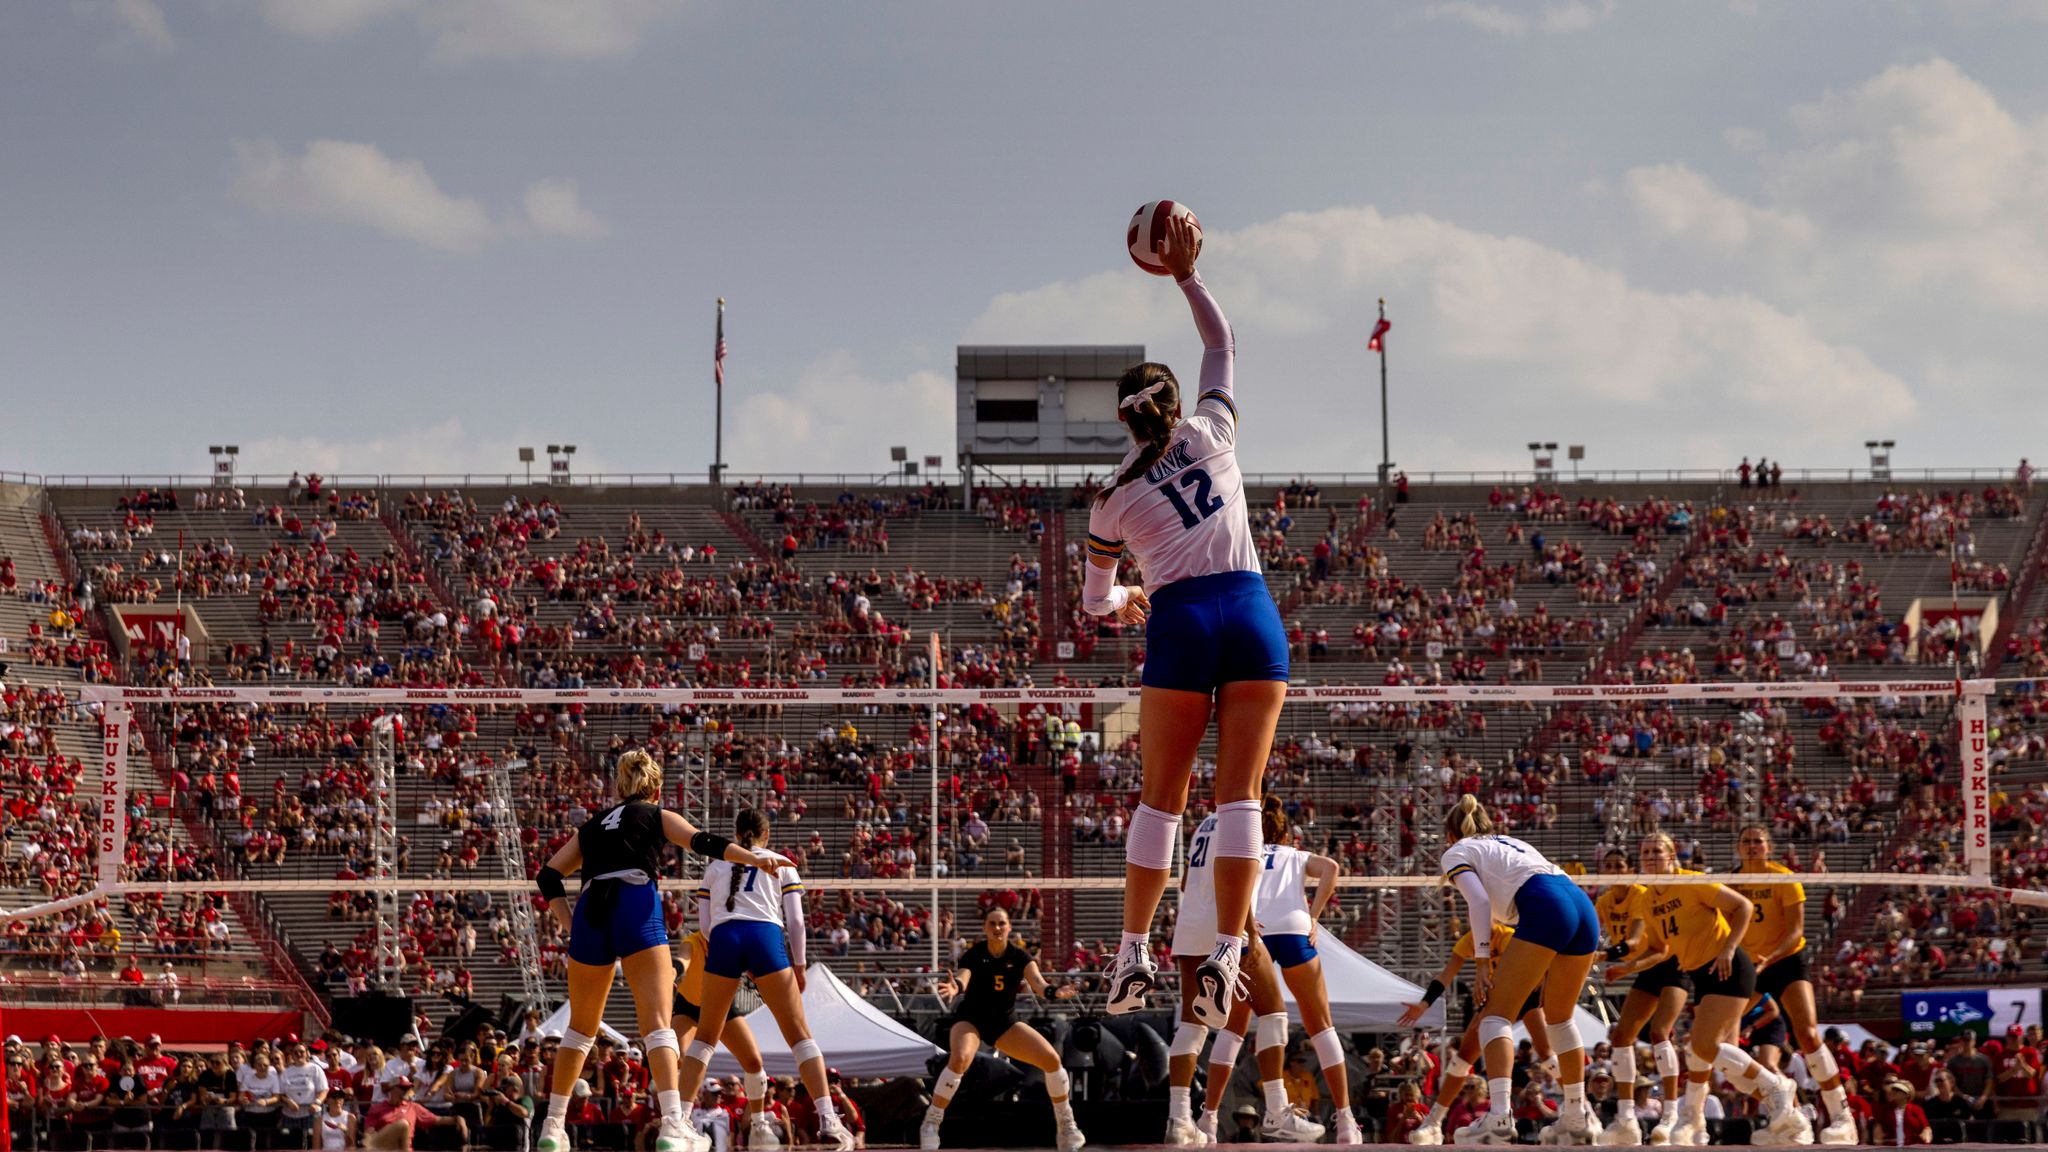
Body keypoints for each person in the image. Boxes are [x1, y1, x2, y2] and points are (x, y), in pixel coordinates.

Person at [1087, 212, 1290, 1031]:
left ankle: (1134, 950)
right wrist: (1186, 275)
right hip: (1247, 607)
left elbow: (1098, 603)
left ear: (1125, 420)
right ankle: (1231, 951)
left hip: (1177, 619)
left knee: (1160, 802)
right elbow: (1224, 344)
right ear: (1173, 403)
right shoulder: (1212, 431)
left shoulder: (1114, 498)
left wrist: (1124, 602)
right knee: (1240, 794)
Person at [533, 751, 791, 1152]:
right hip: (634, 903)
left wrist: (571, 924)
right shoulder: (655, 813)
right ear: (655, 788)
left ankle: (552, 1125)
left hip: (590, 911)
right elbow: (704, 841)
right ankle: (672, 1124)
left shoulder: (592, 825)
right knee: (656, 1022)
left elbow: (548, 875)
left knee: (580, 1028)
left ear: (619, 787)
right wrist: (754, 858)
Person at [670, 809, 856, 1151]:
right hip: (764, 936)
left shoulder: (715, 866)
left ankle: (677, 1124)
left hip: (724, 939)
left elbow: (707, 926)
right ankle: (829, 1121)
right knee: (800, 1037)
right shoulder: (782, 862)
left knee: (705, 1040)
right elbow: (797, 922)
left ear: (736, 832)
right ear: (766, 835)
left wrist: (732, 959)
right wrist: (798, 965)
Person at [1607, 831, 1808, 1146]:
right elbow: (1660, 949)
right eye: (1645, 851)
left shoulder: (1692, 881)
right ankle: (1779, 1109)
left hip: (1728, 966)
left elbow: (1742, 906)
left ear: (1672, 855)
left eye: (1657, 851)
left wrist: (1729, 948)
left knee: (1703, 1047)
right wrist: (1629, 967)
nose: (1649, 856)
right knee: (1706, 1054)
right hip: (1701, 975)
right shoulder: (1647, 898)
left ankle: (1776, 1091)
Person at [1434, 795, 1601, 1145]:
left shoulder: (1457, 851)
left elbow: (1478, 901)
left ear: (1450, 833)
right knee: (1560, 1017)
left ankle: (1497, 1117)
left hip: (1545, 904)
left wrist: (1481, 962)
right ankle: (1576, 1115)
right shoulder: (1512, 843)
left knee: (1495, 1016)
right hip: (1580, 903)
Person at [1166, 812, 1324, 1145]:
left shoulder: (1206, 823)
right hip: (1227, 926)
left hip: (1191, 922)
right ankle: (1277, 1112)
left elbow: (1184, 882)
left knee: (1192, 1025)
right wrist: (1250, 928)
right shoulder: (1244, 815)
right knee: (1274, 1013)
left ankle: (1179, 1119)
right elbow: (1237, 876)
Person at [1732, 825, 1856, 1143]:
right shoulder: (1729, 882)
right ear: (1738, 847)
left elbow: (1795, 933)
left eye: (1758, 841)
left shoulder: (1783, 876)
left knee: (1808, 1033)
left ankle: (1842, 1115)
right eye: (1746, 842)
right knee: (1722, 1045)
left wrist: (1766, 958)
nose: (1752, 846)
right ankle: (1786, 1115)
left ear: (1768, 847)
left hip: (1784, 961)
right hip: (1749, 966)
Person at [921, 907, 1082, 1150]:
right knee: (960, 1059)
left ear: (1009, 927)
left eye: (1001, 923)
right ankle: (932, 1121)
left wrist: (1054, 992)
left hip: (1004, 1023)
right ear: (985, 927)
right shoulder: (975, 954)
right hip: (971, 1019)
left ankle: (1066, 1125)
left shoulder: (1019, 956)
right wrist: (956, 988)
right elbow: (964, 977)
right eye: (992, 923)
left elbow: (1039, 983)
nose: (997, 928)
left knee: (1051, 1060)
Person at [1254, 800, 1361, 1143]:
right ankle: (1345, 1122)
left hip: (1254, 932)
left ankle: (1208, 1120)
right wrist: (1314, 915)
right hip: (1294, 929)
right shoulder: (1295, 855)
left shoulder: (1246, 853)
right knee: (1321, 1026)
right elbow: (1331, 866)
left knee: (1239, 1027)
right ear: (1286, 834)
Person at [1395, 920, 1557, 1145]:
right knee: (1463, 1057)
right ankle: (1434, 1122)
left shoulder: (1508, 936)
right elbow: (1446, 974)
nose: (1480, 921)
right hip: (1497, 997)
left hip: (1524, 992)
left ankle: (1578, 1109)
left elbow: (1536, 968)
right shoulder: (1472, 938)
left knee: (1545, 1051)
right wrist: (1423, 1004)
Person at [1592, 846, 1686, 1147]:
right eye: (1610, 865)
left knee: (1660, 1031)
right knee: (1621, 1036)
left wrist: (1606, 955)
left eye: (1620, 863)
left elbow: (1633, 941)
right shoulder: (1605, 901)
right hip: (1645, 968)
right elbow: (1589, 932)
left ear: (1630, 869)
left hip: (1672, 962)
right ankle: (1627, 1118)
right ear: (1604, 871)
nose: (1615, 869)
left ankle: (1671, 1114)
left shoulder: (1640, 894)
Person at [673, 928, 781, 1149]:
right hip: (689, 1006)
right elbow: (681, 959)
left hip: (721, 1005)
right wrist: (671, 972)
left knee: (754, 1062)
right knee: (678, 1057)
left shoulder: (734, 937)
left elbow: (756, 967)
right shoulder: (694, 941)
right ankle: (679, 1123)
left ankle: (759, 1125)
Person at [364, 1077, 466, 1151]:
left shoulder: (412, 1107)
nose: (406, 1091)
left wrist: (458, 1119)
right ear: (393, 1089)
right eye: (403, 1088)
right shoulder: (377, 1108)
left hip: (404, 1147)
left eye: (407, 1089)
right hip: (384, 1147)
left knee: (403, 1126)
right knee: (402, 1125)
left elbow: (437, 1120)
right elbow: (369, 1134)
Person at [1871, 1080, 1931, 1146]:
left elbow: (1926, 1129)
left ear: (1907, 1094)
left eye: (1898, 1090)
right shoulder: (1885, 1111)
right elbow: (1878, 1132)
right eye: (1893, 1089)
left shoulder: (1916, 1110)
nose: (1894, 1092)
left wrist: (1925, 1141)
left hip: (1913, 1149)